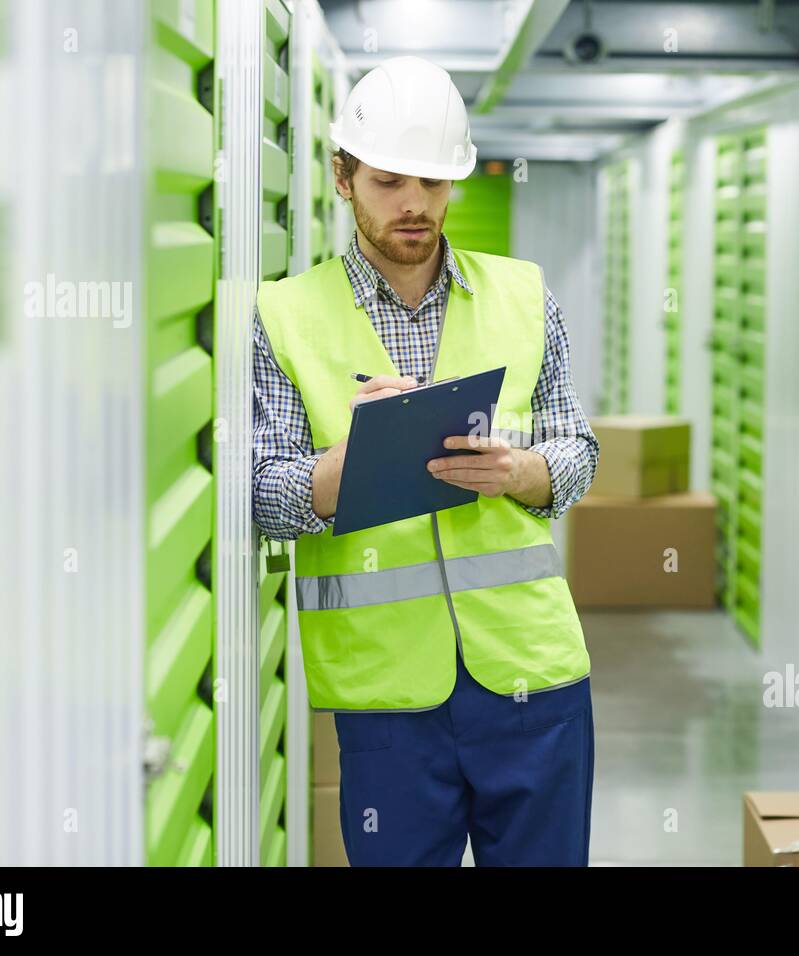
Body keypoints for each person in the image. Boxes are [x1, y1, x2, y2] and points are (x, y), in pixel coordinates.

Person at [252, 55, 599, 866]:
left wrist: (522, 472)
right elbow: (262, 493)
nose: (414, 205)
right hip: (386, 694)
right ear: (342, 178)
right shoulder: (283, 315)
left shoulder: (523, 293)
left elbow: (576, 448)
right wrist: (350, 464)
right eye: (387, 181)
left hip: (533, 677)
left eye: (434, 184)